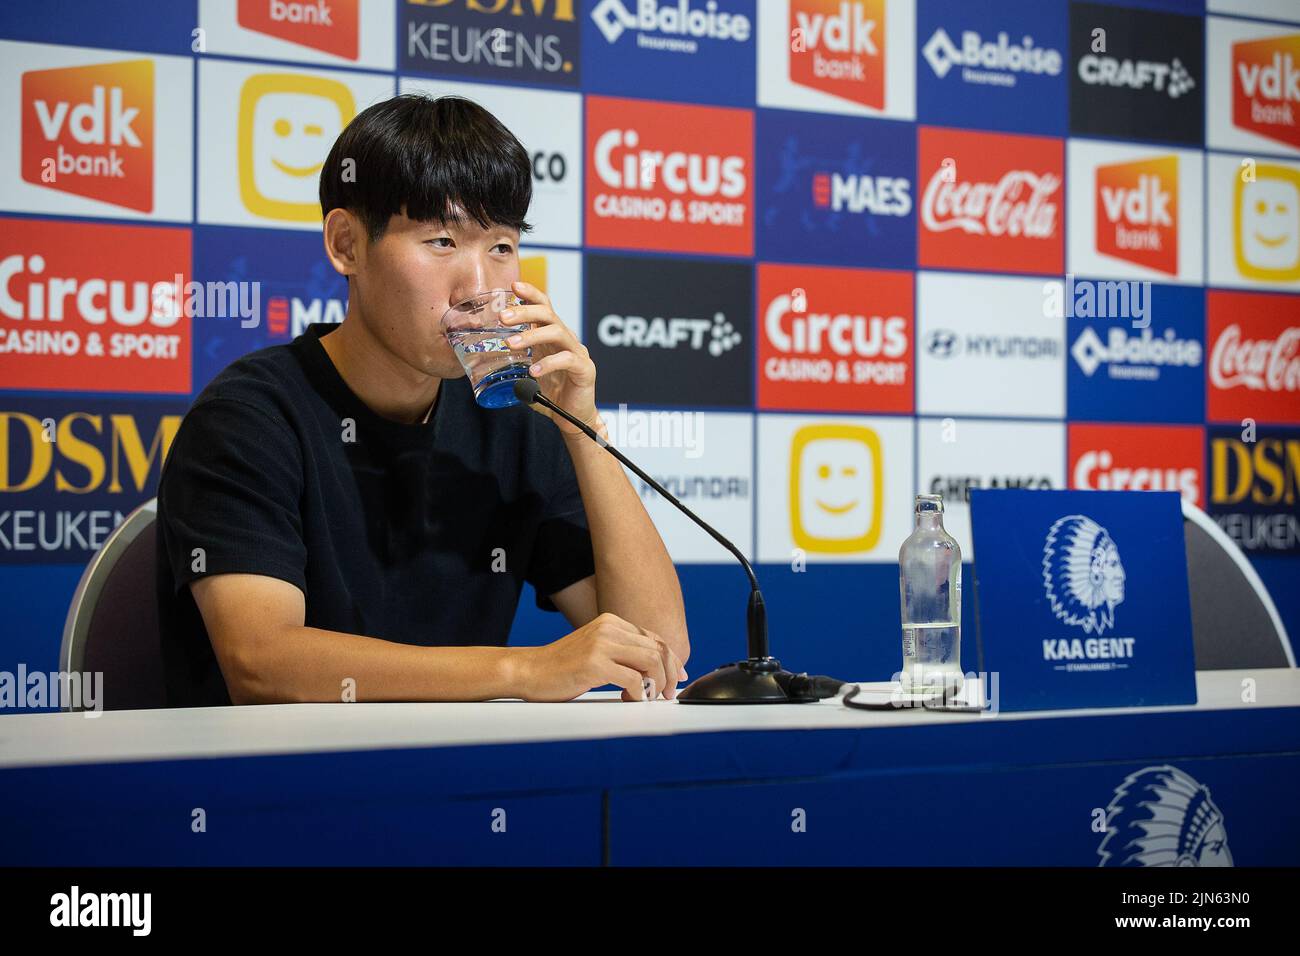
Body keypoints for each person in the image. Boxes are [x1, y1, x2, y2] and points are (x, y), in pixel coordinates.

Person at [155, 94, 688, 707]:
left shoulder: (516, 420)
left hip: (453, 784)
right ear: (346, 244)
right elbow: (261, 662)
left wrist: (582, 428)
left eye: (501, 247)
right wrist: (522, 673)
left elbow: (659, 649)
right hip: (277, 789)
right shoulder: (249, 417)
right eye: (441, 242)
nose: (479, 288)